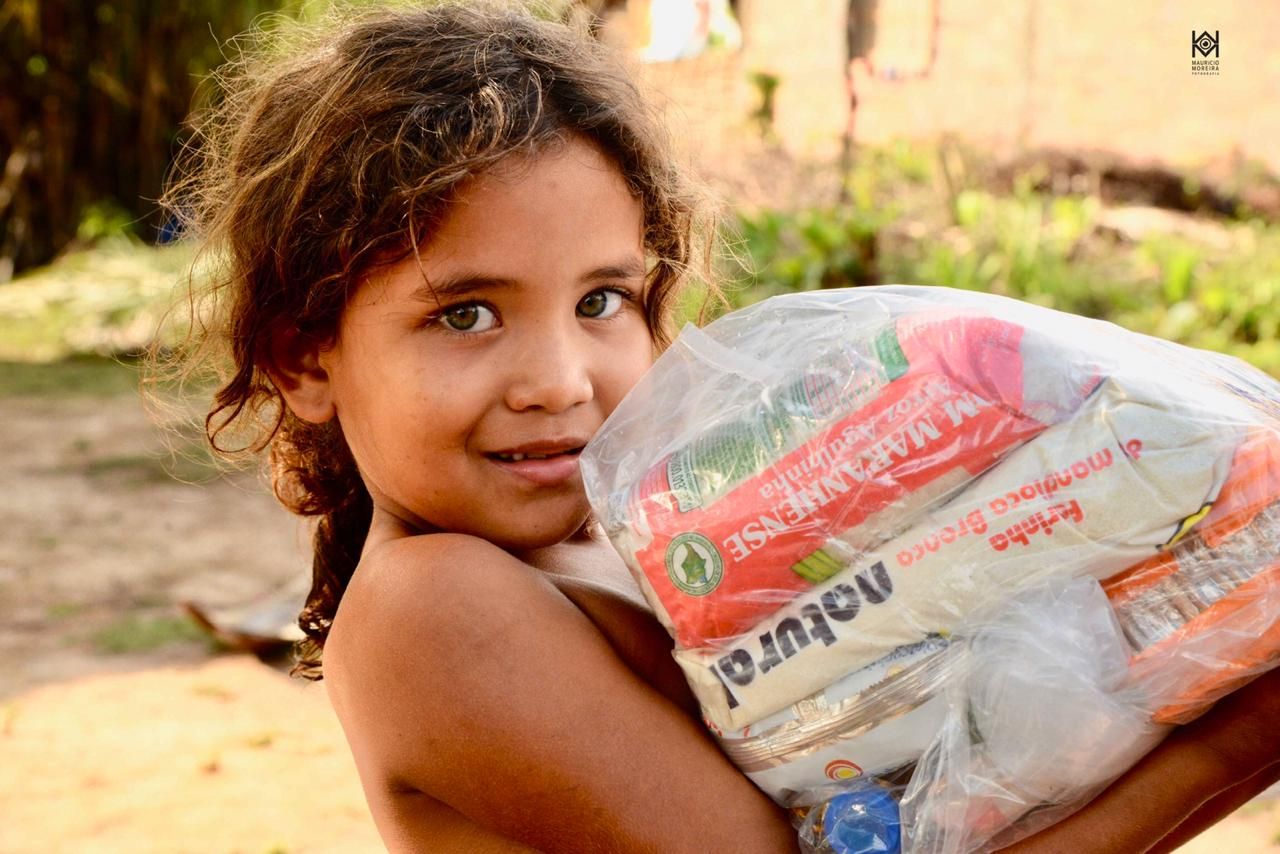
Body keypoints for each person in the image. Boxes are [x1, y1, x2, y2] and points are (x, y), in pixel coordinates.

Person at [163, 2, 1279, 851]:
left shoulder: (633, 539)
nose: (558, 379)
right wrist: (1235, 739)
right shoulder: (429, 608)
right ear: (303, 356)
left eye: (602, 300)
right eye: (464, 313)